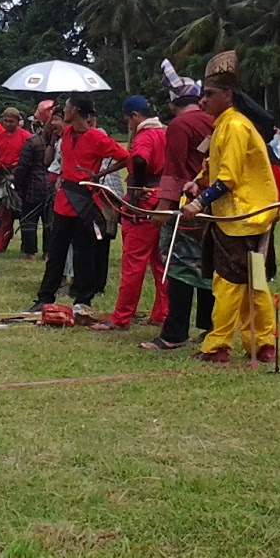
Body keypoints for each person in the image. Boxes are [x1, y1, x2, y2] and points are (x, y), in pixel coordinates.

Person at [180, 53, 280, 366]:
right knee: (255, 281)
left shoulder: (235, 126)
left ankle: (218, 346)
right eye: (201, 95)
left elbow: (229, 178)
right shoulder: (224, 126)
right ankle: (263, 344)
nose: (202, 101)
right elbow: (214, 168)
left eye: (209, 95)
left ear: (228, 95)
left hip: (240, 216)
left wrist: (199, 202)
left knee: (229, 283)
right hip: (251, 216)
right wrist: (197, 183)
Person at [28, 93, 132, 316]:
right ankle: (45, 296)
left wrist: (101, 172)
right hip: (64, 200)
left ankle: (84, 298)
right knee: (56, 252)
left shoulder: (97, 137)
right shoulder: (66, 132)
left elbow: (124, 157)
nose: (63, 111)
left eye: (66, 107)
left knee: (84, 252)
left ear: (74, 110)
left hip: (84, 200)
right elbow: (50, 129)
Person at [146, 72, 215, 351]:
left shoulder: (179, 124)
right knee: (208, 266)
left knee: (179, 268)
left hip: (188, 207)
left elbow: (173, 172)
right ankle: (212, 328)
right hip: (214, 204)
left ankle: (174, 333)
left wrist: (163, 209)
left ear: (174, 101)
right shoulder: (215, 120)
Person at [93, 95, 169, 333]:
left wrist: (135, 192)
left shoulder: (144, 135)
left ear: (135, 116)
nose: (128, 124)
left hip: (143, 204)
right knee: (159, 262)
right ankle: (162, 312)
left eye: (128, 119)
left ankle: (121, 317)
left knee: (133, 263)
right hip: (162, 200)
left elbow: (138, 159)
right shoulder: (165, 133)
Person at [12, 104, 53, 260]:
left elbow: (22, 167)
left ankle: (30, 253)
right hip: (51, 184)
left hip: (33, 185)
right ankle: (48, 252)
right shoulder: (60, 142)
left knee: (29, 219)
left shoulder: (32, 141)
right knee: (49, 220)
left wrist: (18, 185)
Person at [0, 107, 31, 251]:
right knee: (1, 212)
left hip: (19, 178)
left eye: (11, 121)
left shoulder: (26, 136)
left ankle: (26, 246)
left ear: (18, 121)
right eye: (5, 121)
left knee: (21, 212)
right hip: (1, 178)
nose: (8, 124)